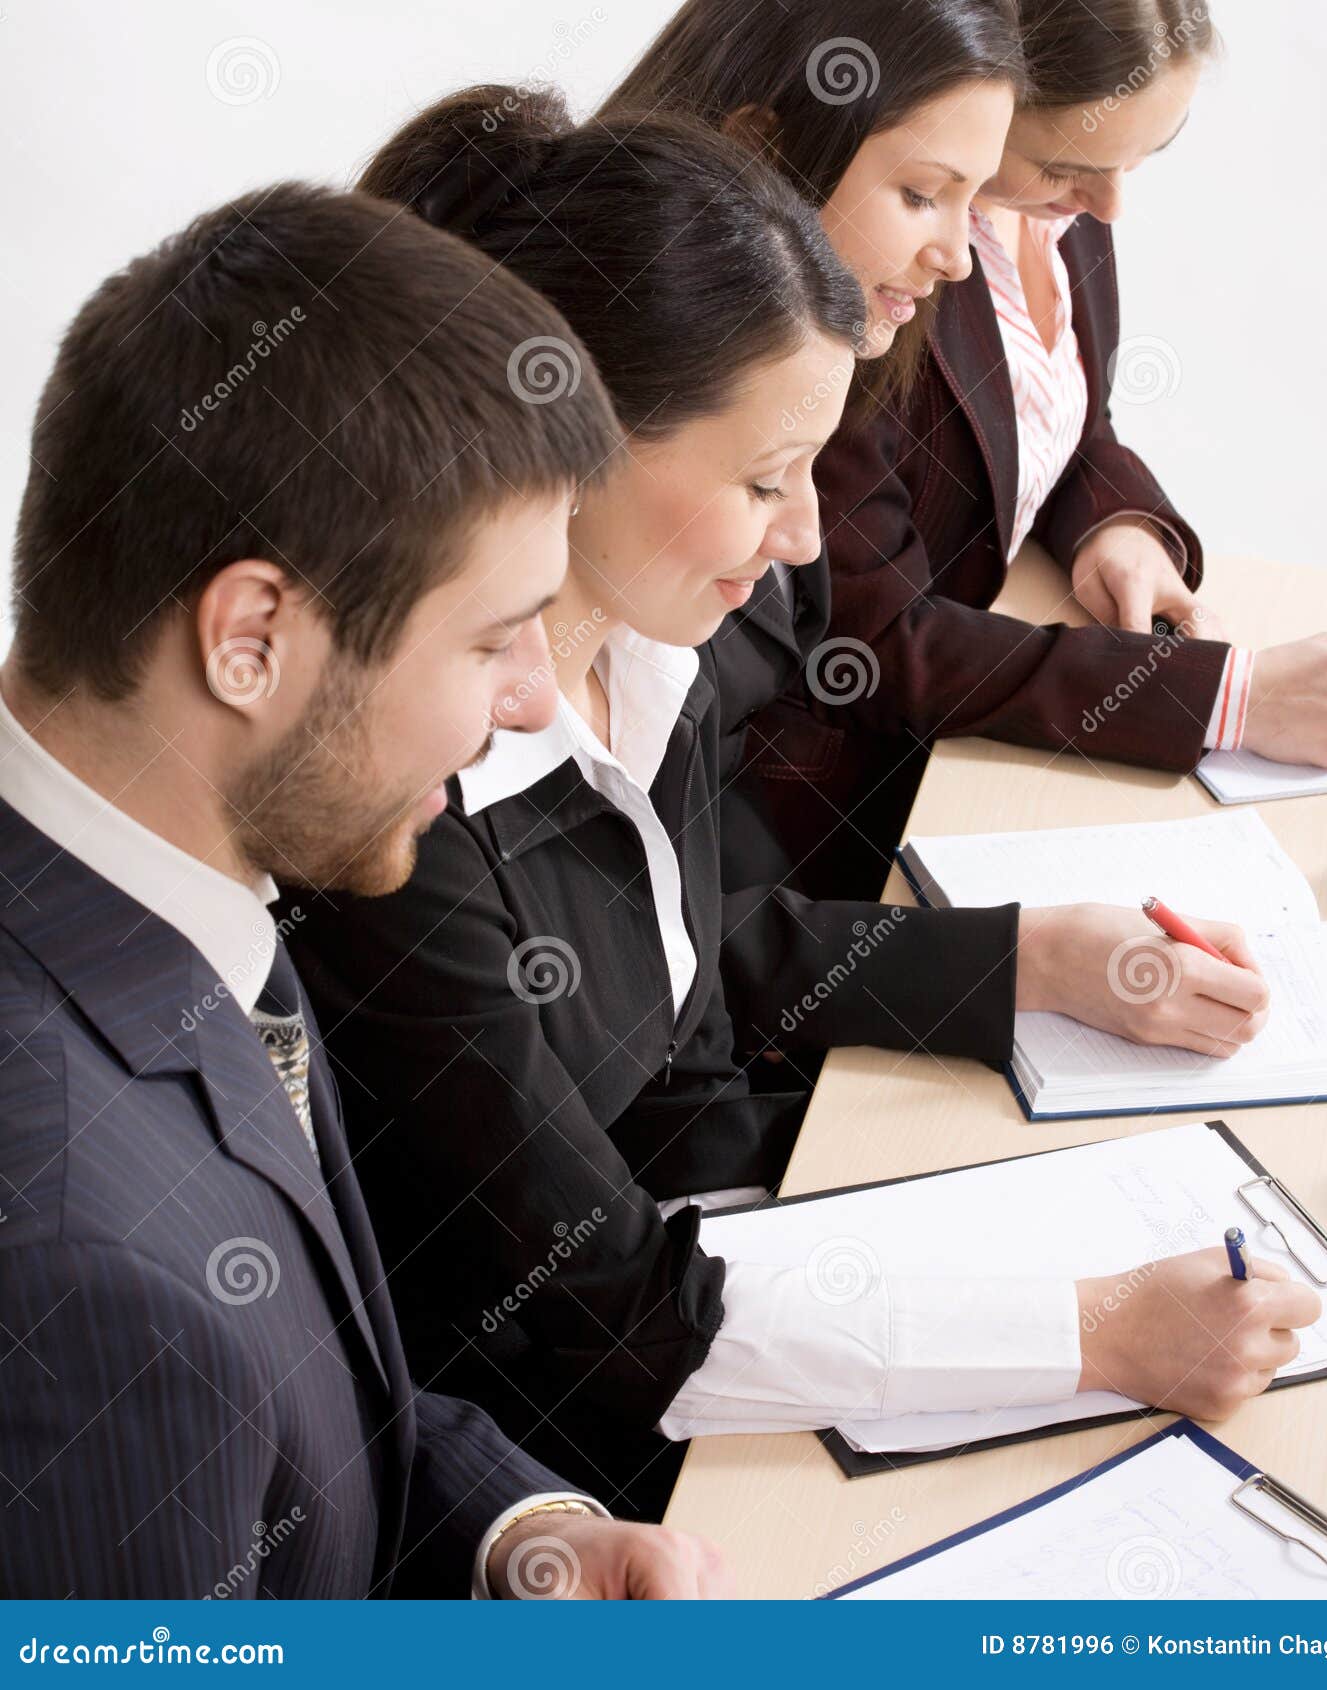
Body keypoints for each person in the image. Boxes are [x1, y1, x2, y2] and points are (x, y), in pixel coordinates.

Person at [288, 92, 1316, 1522]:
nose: (806, 536)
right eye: (768, 479)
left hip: (744, 1245)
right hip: (587, 1445)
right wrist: (1092, 1331)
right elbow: (604, 1313)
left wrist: (1028, 957)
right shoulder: (403, 822)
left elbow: (679, 957)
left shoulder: (657, 652)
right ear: (569, 446)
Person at [0, 181, 726, 1600]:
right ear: (251, 639)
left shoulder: (174, 875)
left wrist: (521, 1538)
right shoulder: (87, 1267)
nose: (532, 700)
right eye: (493, 639)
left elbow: (304, 1408)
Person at [608, 0, 1327, 912]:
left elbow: (1056, 421)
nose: (1110, 204)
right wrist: (1223, 697)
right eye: (1064, 165)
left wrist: (1111, 523)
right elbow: (869, 630)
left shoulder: (1037, 216)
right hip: (815, 822)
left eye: (1144, 155)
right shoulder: (858, 282)